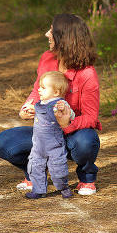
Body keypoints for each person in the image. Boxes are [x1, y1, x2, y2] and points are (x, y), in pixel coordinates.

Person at [0, 13, 101, 196]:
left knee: (86, 141)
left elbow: (91, 117)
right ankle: (35, 174)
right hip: (45, 132)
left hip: (72, 134)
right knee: (2, 143)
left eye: (51, 30)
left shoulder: (87, 74)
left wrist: (67, 124)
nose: (46, 34)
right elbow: (38, 89)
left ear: (64, 38)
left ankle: (87, 178)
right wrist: (28, 106)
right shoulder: (47, 58)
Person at [25, 71, 75, 200]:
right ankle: (38, 189)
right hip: (38, 145)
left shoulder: (59, 104)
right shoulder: (40, 104)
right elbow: (39, 113)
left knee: (58, 167)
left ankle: (63, 187)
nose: (39, 90)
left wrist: (65, 111)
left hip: (54, 145)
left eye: (43, 87)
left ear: (56, 92)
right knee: (35, 166)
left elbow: (71, 115)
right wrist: (31, 110)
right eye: (39, 87)